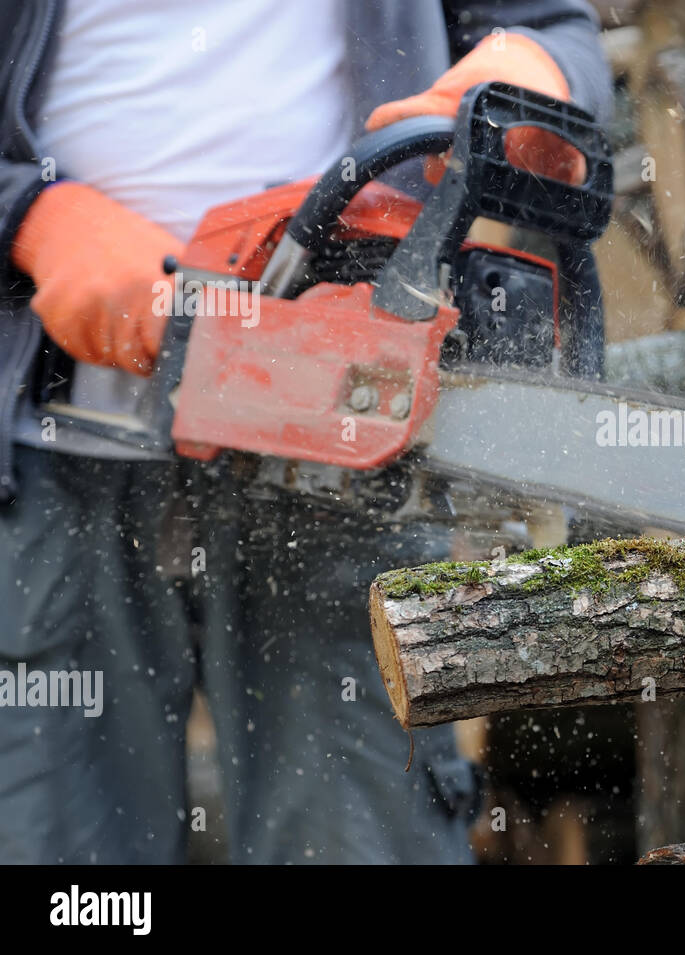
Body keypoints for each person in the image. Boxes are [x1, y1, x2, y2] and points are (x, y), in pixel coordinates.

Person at [0, 0, 612, 864]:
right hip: (48, 453)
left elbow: (555, 31)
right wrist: (31, 216)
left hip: (350, 454)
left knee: (361, 838)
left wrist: (527, 74)